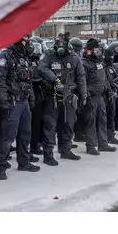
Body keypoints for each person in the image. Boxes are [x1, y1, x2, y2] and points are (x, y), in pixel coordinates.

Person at [0, 34, 41, 180]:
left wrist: (31, 97)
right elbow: (0, 81)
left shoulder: (25, 57)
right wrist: (4, 100)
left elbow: (29, 80)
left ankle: (23, 161)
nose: (27, 43)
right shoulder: (5, 56)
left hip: (24, 99)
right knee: (8, 135)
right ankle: (1, 166)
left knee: (26, 132)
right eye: (24, 40)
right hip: (12, 101)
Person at [37, 34, 87, 165]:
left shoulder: (74, 57)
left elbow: (81, 77)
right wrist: (55, 80)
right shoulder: (48, 54)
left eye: (62, 43)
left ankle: (65, 150)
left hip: (68, 96)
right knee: (50, 125)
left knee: (68, 124)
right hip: (52, 96)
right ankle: (48, 154)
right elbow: (41, 68)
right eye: (57, 43)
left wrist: (83, 95)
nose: (59, 46)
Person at [80, 38, 116, 154]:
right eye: (96, 50)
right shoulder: (84, 63)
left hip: (100, 96)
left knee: (102, 120)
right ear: (89, 51)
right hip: (91, 97)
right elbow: (82, 81)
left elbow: (104, 78)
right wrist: (86, 95)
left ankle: (103, 144)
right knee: (90, 121)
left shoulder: (99, 63)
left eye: (99, 50)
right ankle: (90, 146)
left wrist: (108, 90)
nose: (99, 52)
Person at [103, 44, 118, 145]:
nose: (112, 58)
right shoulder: (103, 66)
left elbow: (115, 78)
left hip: (112, 94)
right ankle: (105, 137)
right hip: (105, 95)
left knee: (112, 115)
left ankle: (111, 136)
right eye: (110, 57)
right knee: (105, 117)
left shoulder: (111, 66)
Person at [29, 38, 46, 156]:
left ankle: (36, 144)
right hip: (30, 91)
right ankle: (30, 147)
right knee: (30, 122)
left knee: (38, 121)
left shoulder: (40, 60)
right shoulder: (26, 60)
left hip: (39, 91)